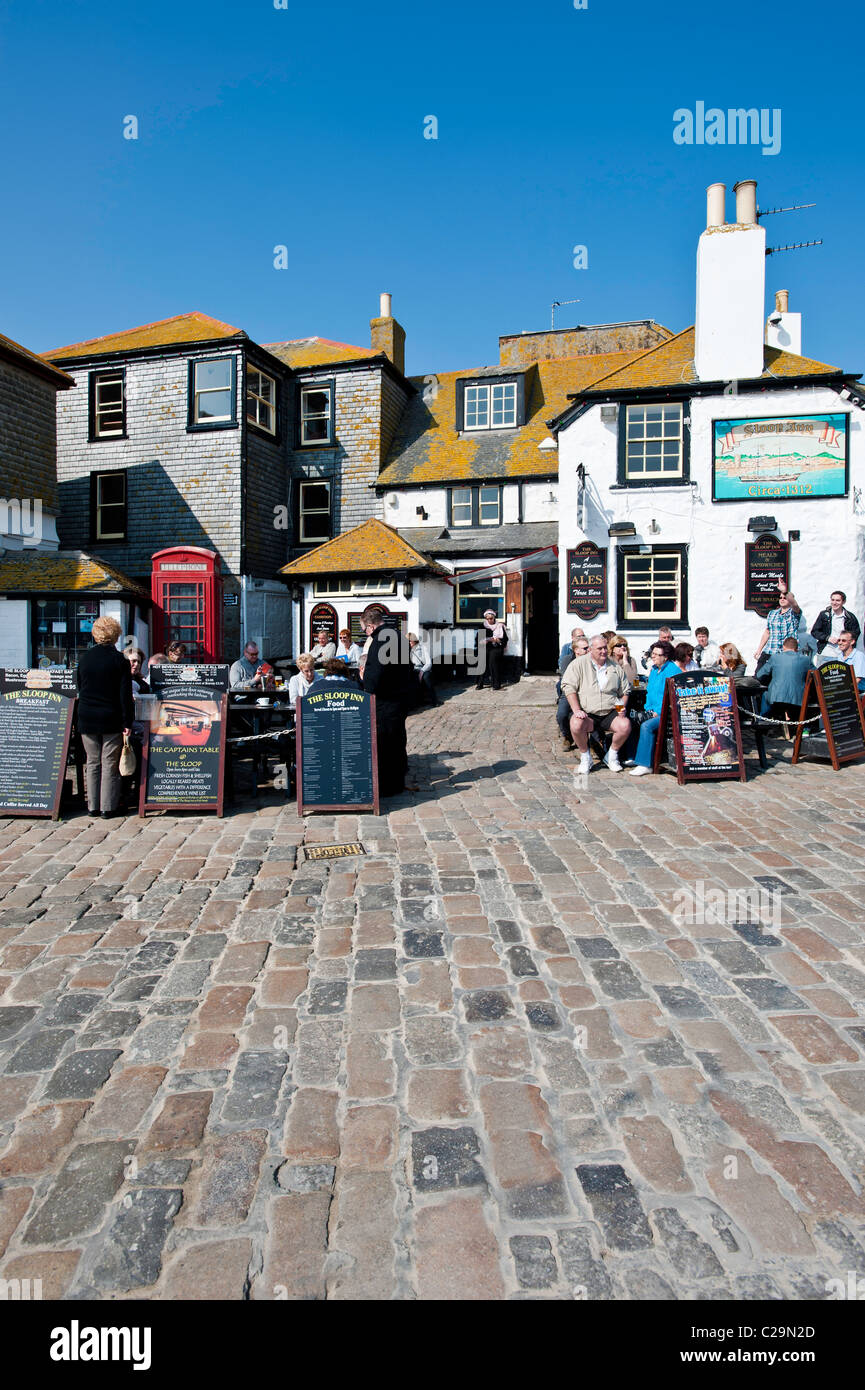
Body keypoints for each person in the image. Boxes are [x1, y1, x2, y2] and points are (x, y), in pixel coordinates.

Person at [76, 616, 134, 818]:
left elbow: (79, 687)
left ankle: (92, 806)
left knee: (92, 762)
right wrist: (128, 721)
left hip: (86, 716)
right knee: (109, 762)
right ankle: (107, 808)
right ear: (116, 635)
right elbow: (124, 694)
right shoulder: (119, 660)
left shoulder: (85, 658)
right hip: (110, 716)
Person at [361, 605, 417, 796]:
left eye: (365, 631)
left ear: (370, 626)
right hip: (401, 697)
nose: (367, 635)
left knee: (385, 741)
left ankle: (388, 786)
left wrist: (366, 686)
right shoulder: (399, 637)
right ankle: (399, 778)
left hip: (386, 699)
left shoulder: (380, 639)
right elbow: (408, 667)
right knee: (398, 737)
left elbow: (376, 671)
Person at [561, 633, 631, 775]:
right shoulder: (578, 664)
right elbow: (568, 687)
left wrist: (621, 706)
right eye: (599, 648)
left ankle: (611, 756)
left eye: (605, 648)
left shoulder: (615, 666)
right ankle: (585, 757)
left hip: (609, 711)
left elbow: (625, 690)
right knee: (575, 724)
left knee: (625, 725)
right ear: (591, 649)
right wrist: (576, 709)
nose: (604, 651)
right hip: (588, 712)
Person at [628, 640, 679, 777]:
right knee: (632, 721)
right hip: (653, 710)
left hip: (668, 714)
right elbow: (650, 693)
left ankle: (645, 764)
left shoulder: (673, 671)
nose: (653, 657)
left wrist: (657, 712)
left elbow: (672, 699)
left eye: (657, 654)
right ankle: (633, 755)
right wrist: (648, 710)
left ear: (665, 657)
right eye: (653, 654)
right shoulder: (655, 670)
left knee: (646, 726)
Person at [761, 636, 812, 725]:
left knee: (765, 694)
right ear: (797, 648)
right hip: (798, 698)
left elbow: (760, 674)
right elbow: (816, 675)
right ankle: (803, 728)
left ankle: (763, 723)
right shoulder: (806, 659)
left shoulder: (775, 657)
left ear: (784, 647)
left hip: (776, 698)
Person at [754, 583, 803, 677]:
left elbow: (795, 605)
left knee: (781, 678)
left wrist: (784, 591)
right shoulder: (772, 613)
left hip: (785, 654)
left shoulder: (794, 614)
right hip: (770, 651)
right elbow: (767, 632)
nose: (782, 599)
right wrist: (759, 649)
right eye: (780, 598)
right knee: (759, 676)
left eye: (785, 597)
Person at [556, 637, 590, 746]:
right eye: (585, 648)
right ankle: (567, 736)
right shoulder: (567, 660)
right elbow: (568, 680)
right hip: (570, 692)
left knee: (593, 714)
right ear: (576, 650)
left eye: (588, 647)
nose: (588, 650)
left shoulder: (591, 660)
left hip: (586, 692)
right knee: (561, 714)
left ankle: (592, 742)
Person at [811, 590, 860, 656]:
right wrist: (827, 638)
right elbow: (815, 631)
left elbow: (855, 634)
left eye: (837, 600)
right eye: (833, 600)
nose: (834, 603)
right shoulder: (824, 615)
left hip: (844, 654)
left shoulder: (850, 617)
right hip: (826, 652)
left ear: (843, 602)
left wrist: (844, 641)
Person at [475, 609, 508, 691]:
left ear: (494, 618)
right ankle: (480, 683)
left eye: (491, 618)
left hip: (496, 647)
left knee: (493, 660)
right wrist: (484, 641)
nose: (489, 620)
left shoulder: (500, 626)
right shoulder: (483, 626)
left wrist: (497, 640)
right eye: (488, 618)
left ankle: (496, 685)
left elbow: (504, 640)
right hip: (485, 647)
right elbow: (478, 639)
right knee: (482, 659)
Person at [409, 632, 442, 706]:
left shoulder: (423, 648)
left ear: (414, 640)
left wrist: (422, 671)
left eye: (410, 641)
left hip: (423, 669)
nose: (409, 643)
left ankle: (434, 700)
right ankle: (416, 701)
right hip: (413, 669)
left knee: (426, 678)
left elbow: (429, 663)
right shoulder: (407, 650)